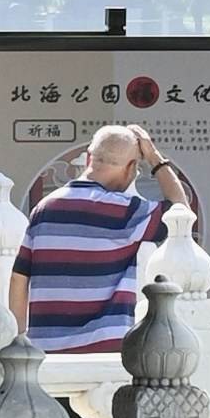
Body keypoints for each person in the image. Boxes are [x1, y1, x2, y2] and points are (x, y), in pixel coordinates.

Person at [19, 122, 159, 358]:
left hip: (46, 352)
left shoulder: (44, 208)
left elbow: (18, 277)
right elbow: (182, 216)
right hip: (105, 352)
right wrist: (156, 159)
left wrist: (19, 338)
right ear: (132, 168)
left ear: (88, 160)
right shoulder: (127, 211)